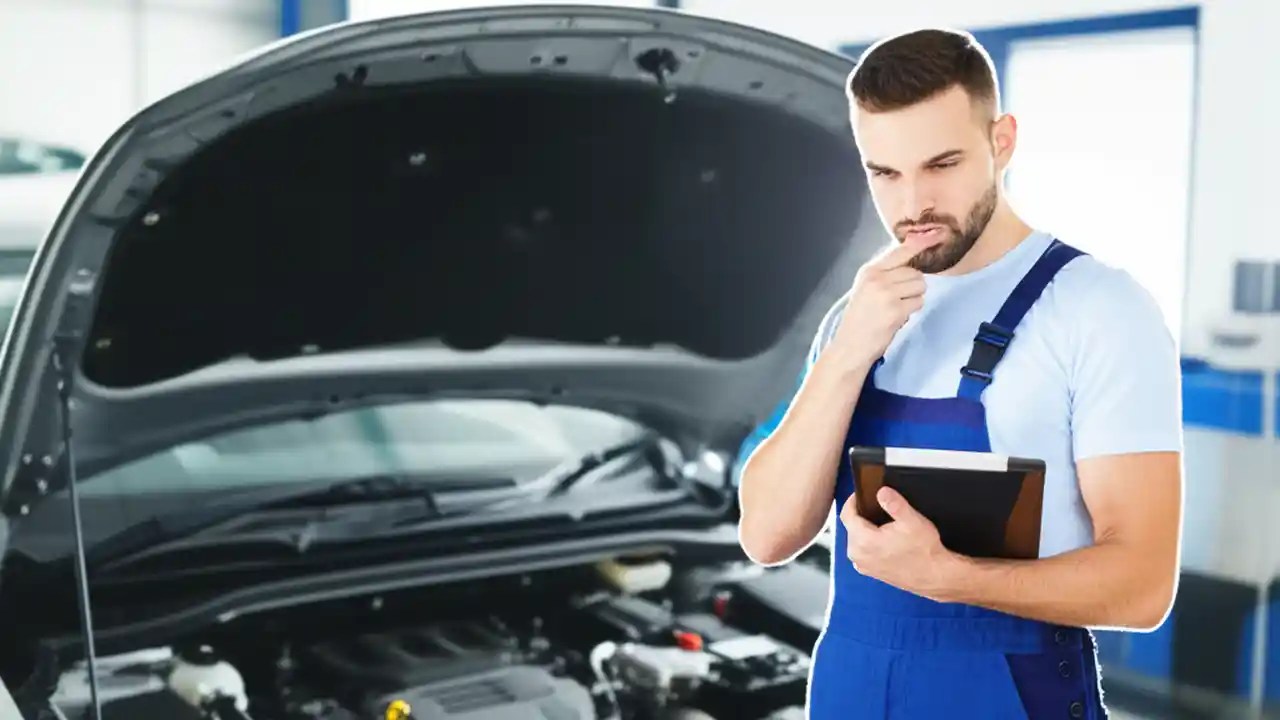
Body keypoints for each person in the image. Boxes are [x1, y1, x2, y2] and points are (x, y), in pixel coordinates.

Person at [735, 27, 1184, 719]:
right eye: (884, 172)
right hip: (850, 694)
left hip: (1010, 697)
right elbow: (766, 535)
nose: (912, 204)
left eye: (940, 164)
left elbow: (1143, 585)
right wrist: (849, 350)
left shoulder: (1098, 309)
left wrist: (953, 578)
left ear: (1002, 141)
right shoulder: (859, 315)